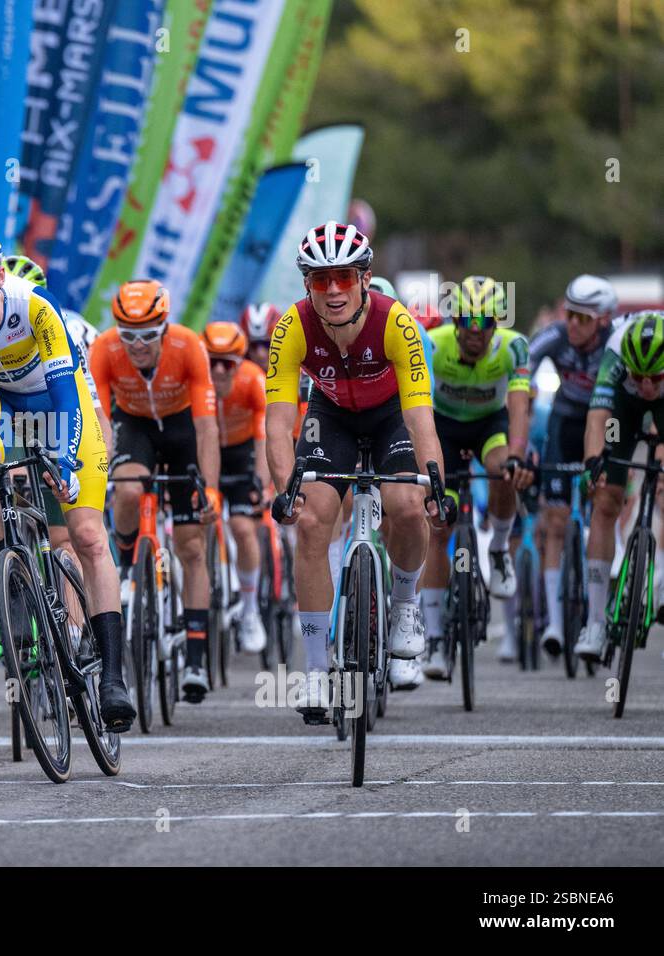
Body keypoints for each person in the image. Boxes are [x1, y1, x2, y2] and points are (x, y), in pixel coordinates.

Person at [0, 224, 135, 731]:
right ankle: (3, 571)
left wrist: (62, 461)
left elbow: (64, 392)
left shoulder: (34, 304)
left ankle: (113, 679)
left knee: (84, 536)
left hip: (55, 401)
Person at [265, 220, 446, 722]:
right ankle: (319, 671)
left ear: (365, 278)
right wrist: (286, 489)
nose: (333, 290)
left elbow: (420, 416)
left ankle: (406, 605)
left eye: (343, 276)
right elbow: (279, 423)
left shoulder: (397, 322)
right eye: (321, 280)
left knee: (408, 506)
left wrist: (435, 482)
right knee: (310, 519)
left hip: (393, 415)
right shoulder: (291, 326)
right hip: (332, 416)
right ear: (307, 285)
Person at [91, 280, 221, 702]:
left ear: (164, 327)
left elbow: (206, 427)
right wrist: (103, 471)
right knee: (127, 491)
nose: (137, 344)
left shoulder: (188, 346)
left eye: (147, 334)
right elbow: (101, 424)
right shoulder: (105, 349)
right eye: (128, 335)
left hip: (182, 428)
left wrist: (212, 489)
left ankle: (196, 659)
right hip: (136, 428)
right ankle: (128, 562)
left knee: (192, 548)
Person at [419, 276, 532, 679]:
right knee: (438, 525)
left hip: (490, 425)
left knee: (504, 471)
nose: (474, 330)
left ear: (497, 323)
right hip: (444, 428)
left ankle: (499, 549)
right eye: (466, 319)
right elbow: (418, 404)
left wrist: (517, 455)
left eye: (485, 322)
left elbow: (519, 407)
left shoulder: (513, 347)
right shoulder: (434, 343)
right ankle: (432, 639)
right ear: (455, 318)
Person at [527, 274, 617, 657]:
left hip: (607, 421)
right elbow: (521, 374)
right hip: (565, 423)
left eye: (583, 318)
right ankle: (556, 625)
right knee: (557, 519)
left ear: (603, 320)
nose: (573, 324)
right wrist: (527, 437)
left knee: (605, 503)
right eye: (570, 314)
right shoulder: (556, 336)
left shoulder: (615, 343)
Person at [575, 312, 664, 661]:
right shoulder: (615, 355)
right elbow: (597, 419)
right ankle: (595, 622)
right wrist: (593, 463)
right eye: (638, 376)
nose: (645, 386)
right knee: (605, 499)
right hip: (622, 413)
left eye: (654, 377)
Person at [203, 321, 271, 653]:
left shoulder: (253, 380)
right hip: (207, 451)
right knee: (198, 524)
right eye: (211, 361)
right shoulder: (196, 382)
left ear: (239, 362)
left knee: (245, 529)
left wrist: (261, 484)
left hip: (243, 455)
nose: (218, 369)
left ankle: (249, 610)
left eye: (226, 363)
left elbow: (264, 440)